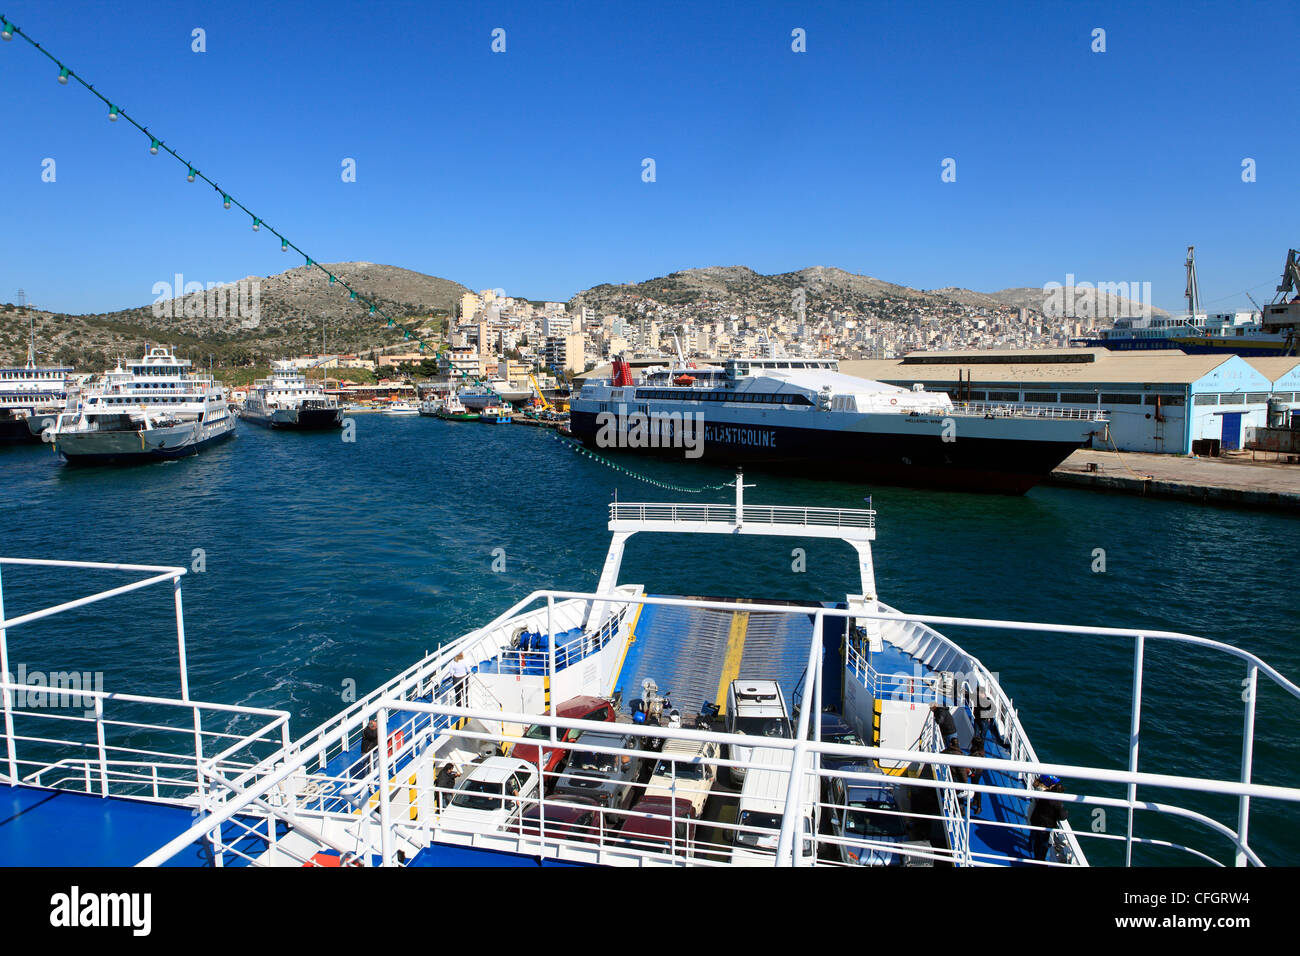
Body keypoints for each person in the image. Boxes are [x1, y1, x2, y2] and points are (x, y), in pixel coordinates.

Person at [1029, 776, 1068, 861]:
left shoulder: (1045, 793)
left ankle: (1036, 857)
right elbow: (1063, 816)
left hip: (1036, 820)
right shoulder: (1057, 802)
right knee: (1043, 844)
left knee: (1037, 841)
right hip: (1045, 825)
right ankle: (1040, 860)